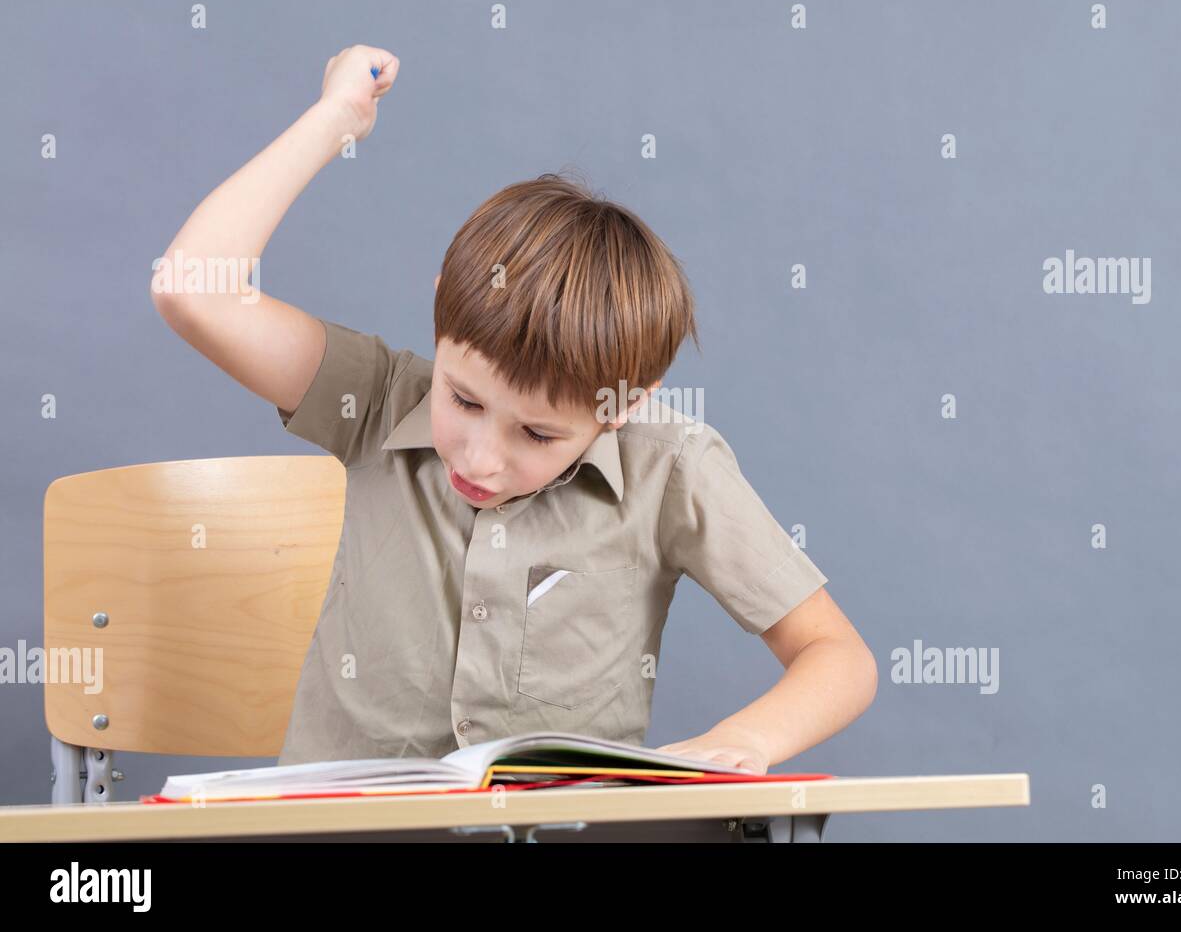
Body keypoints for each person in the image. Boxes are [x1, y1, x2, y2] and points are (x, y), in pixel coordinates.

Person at [150, 44, 877, 775]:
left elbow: (837, 656)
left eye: (537, 432)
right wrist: (336, 118)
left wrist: (746, 743)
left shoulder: (670, 466)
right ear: (439, 308)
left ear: (623, 405)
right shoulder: (371, 399)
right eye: (462, 399)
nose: (480, 457)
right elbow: (192, 289)